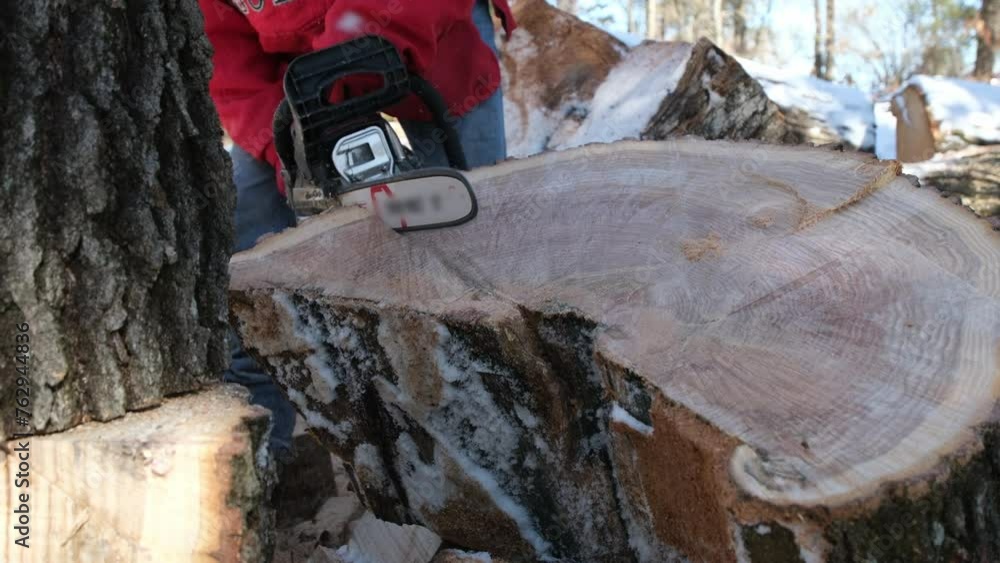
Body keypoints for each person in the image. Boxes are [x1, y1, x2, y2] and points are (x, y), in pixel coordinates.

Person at [198, 0, 516, 458]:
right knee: (239, 237)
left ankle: (488, 427)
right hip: (295, 87)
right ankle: (259, 450)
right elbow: (225, 53)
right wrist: (287, 146)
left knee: (475, 245)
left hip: (429, 40)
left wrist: (354, 56)